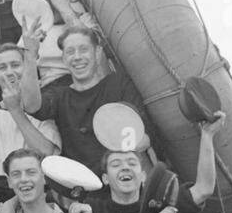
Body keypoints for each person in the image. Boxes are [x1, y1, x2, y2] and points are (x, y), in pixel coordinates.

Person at [91, 111, 226, 213]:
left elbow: (204, 189)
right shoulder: (93, 210)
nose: (125, 167)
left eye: (132, 163)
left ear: (142, 176)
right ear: (105, 179)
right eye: (116, 164)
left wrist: (207, 135)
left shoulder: (161, 203)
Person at [37, 25, 154, 176]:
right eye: (70, 52)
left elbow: (144, 138)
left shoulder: (119, 85)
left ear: (97, 53)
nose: (77, 57)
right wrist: (30, 54)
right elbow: (32, 106)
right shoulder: (59, 96)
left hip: (125, 180)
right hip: (87, 187)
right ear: (64, 59)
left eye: (84, 49)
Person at [0, 41, 61, 202]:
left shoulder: (43, 109)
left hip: (34, 192)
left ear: (27, 69)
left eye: (15, 65)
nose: (10, 72)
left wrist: (16, 110)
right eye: (2, 68)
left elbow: (47, 154)